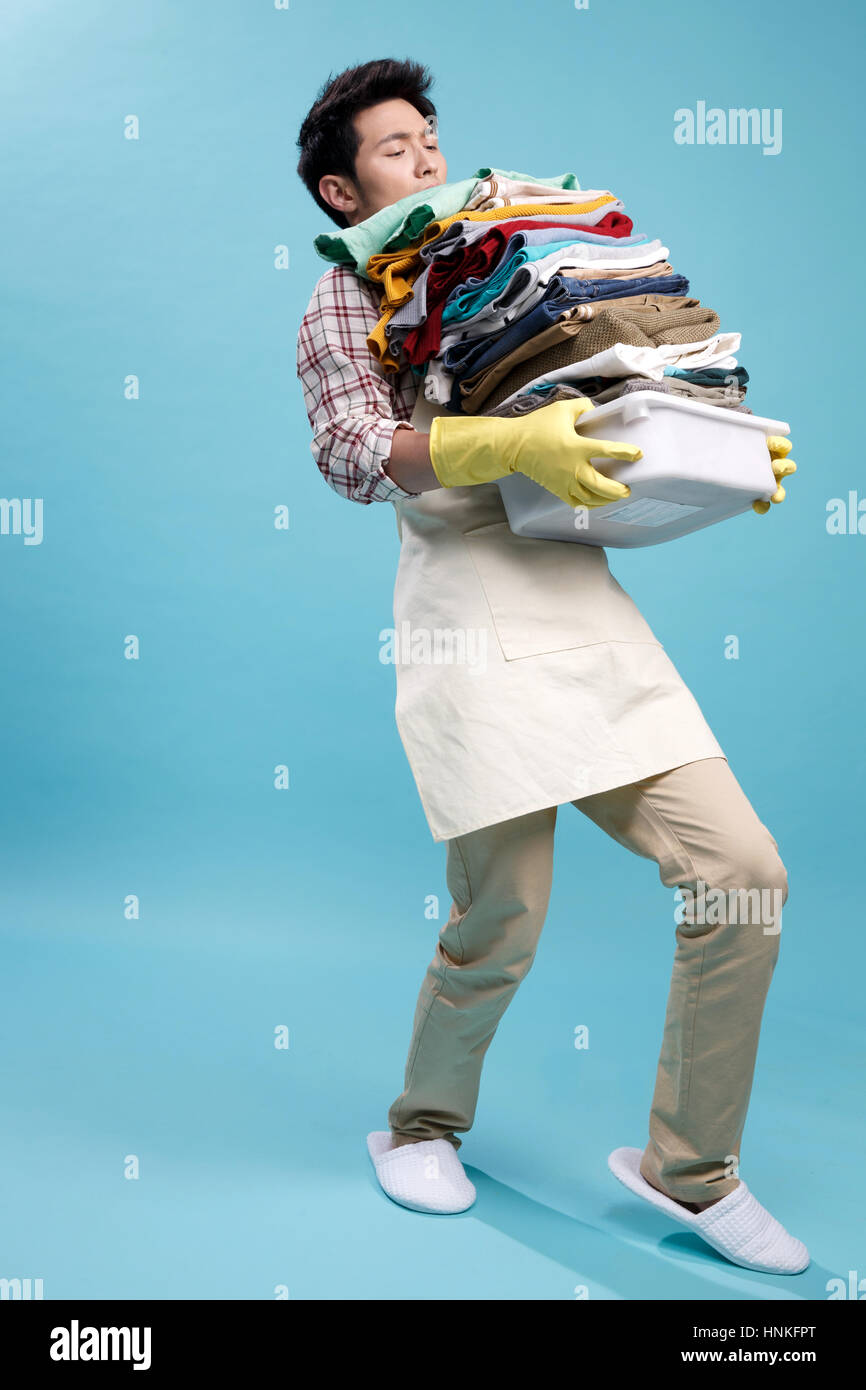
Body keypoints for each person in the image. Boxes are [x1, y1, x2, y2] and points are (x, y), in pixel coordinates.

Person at [295, 57, 807, 1275]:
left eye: (427, 136)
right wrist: (501, 436)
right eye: (389, 147)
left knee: (742, 874)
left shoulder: (510, 251)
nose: (421, 157)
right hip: (464, 615)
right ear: (335, 187)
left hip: (579, 603)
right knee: (502, 915)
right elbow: (352, 451)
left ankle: (690, 1167)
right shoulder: (341, 300)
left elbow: (609, 396)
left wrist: (707, 456)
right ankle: (420, 1125)